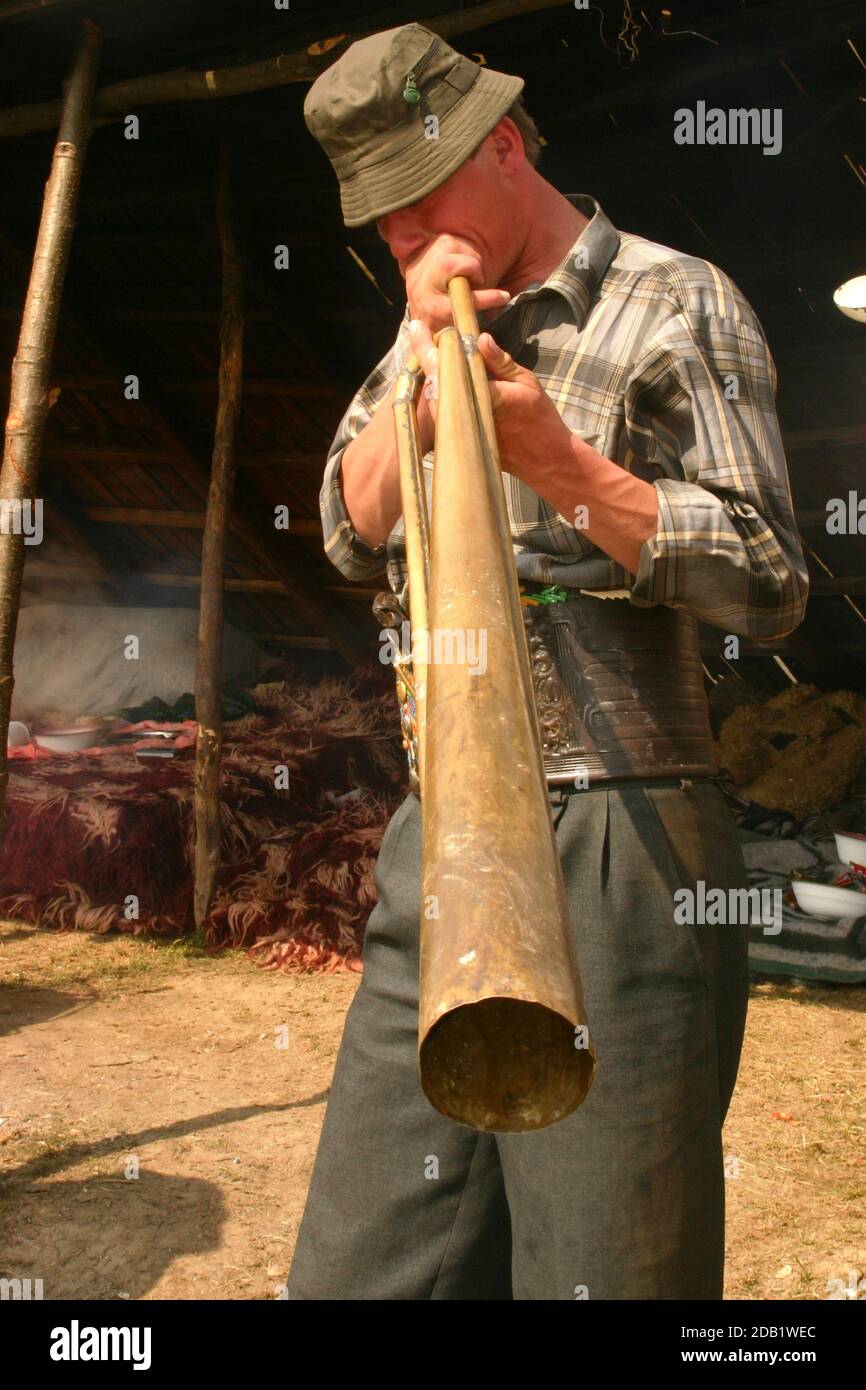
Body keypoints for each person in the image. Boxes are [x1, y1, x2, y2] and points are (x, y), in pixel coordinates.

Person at [287, 22, 809, 1300]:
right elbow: (347, 536)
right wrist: (415, 368)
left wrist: (560, 468)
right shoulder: (417, 324)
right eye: (380, 223)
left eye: (417, 202)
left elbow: (769, 580)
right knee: (361, 1269)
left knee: (601, 1267)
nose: (404, 241)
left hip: (618, 842)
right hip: (443, 837)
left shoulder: (675, 298)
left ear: (504, 146)